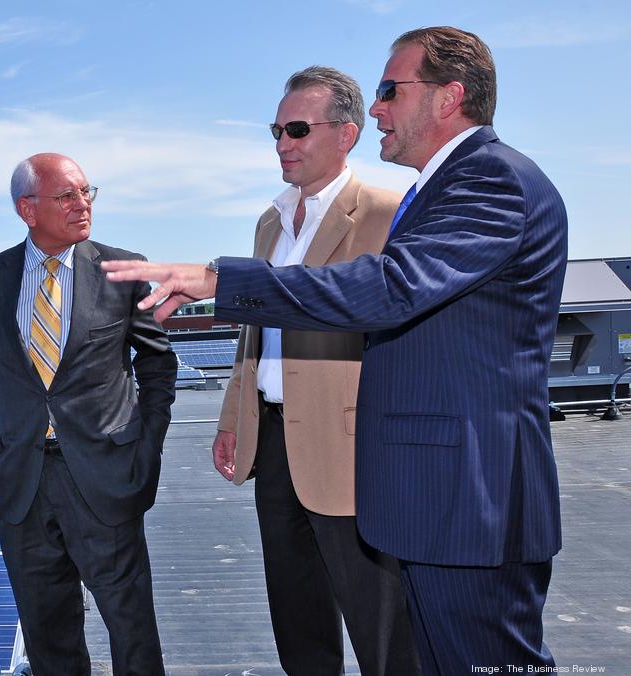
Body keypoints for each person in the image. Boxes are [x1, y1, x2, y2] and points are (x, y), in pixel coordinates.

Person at [104, 27, 566, 675]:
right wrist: (237, 417)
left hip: (460, 498)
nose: (377, 108)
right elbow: (269, 338)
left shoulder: (485, 182)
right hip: (395, 480)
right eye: (276, 131)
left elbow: (388, 289)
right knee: (329, 628)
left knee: (416, 646)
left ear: (448, 97)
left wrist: (220, 281)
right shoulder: (415, 195)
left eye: (388, 91)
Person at [216, 65, 420, 675]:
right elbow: (253, 335)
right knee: (297, 614)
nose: (283, 144)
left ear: (346, 134)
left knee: (380, 624)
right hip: (274, 441)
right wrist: (235, 417)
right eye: (276, 130)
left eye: (298, 129)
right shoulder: (270, 222)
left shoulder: (390, 213)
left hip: (354, 447)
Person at [0, 152, 177, 675]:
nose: (82, 204)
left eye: (87, 192)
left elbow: (157, 365)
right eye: (66, 195)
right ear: (27, 209)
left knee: (132, 631)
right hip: (22, 484)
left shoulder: (122, 271)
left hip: (106, 479)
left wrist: (143, 449)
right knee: (47, 633)